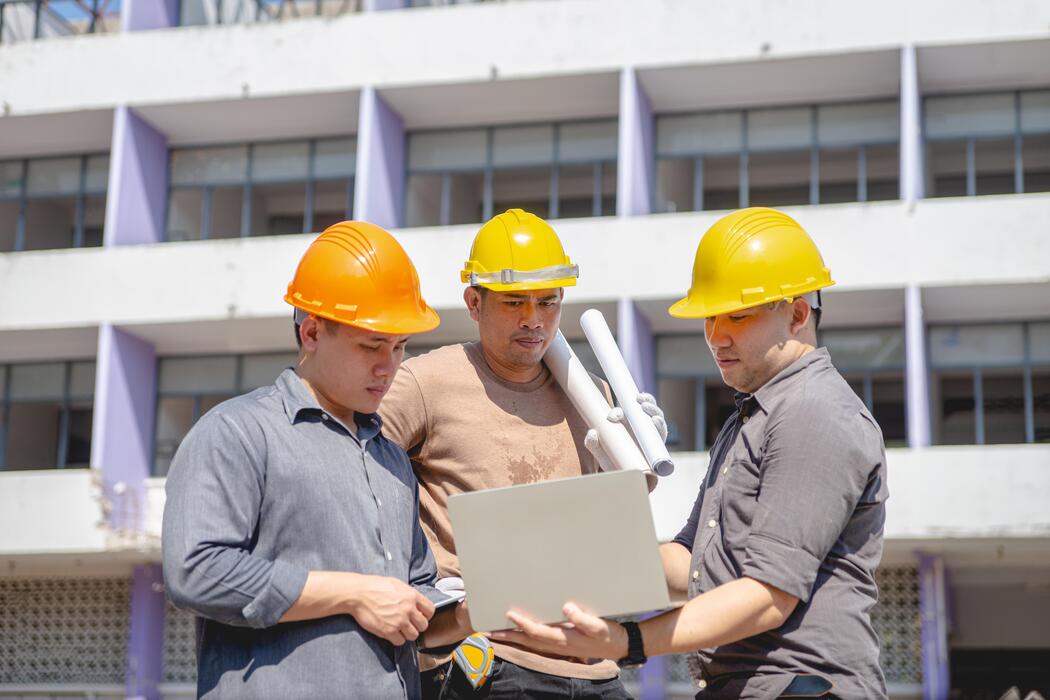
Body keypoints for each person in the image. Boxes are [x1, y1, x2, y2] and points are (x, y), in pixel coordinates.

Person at [495, 207, 889, 700]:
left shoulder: (814, 412)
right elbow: (695, 564)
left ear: (797, 314)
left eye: (737, 316)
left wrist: (627, 641)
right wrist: (560, 562)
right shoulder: (753, 414)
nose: (716, 336)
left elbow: (769, 595)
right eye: (709, 317)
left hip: (801, 687)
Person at [162, 221, 468, 699]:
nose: (389, 367)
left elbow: (413, 605)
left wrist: (475, 613)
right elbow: (196, 571)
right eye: (371, 346)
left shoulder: (392, 459)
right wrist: (353, 593)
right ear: (311, 332)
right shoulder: (238, 433)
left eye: (399, 347)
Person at [379, 208, 665, 699]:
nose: (534, 319)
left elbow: (609, 530)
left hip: (593, 665)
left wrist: (633, 466)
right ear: (474, 301)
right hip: (487, 660)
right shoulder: (426, 384)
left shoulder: (591, 396)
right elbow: (348, 468)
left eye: (548, 302)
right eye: (514, 302)